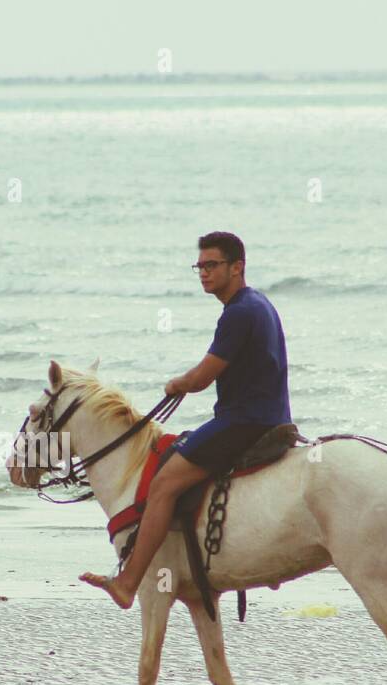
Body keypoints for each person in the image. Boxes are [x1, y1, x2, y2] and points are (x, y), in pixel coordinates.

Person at [80, 230, 292, 609]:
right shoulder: (257, 304)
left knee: (162, 484)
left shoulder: (240, 313)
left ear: (237, 267)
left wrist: (178, 382)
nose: (204, 273)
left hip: (244, 422)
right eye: (199, 266)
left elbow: (203, 377)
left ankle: (128, 582)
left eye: (212, 265)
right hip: (267, 416)